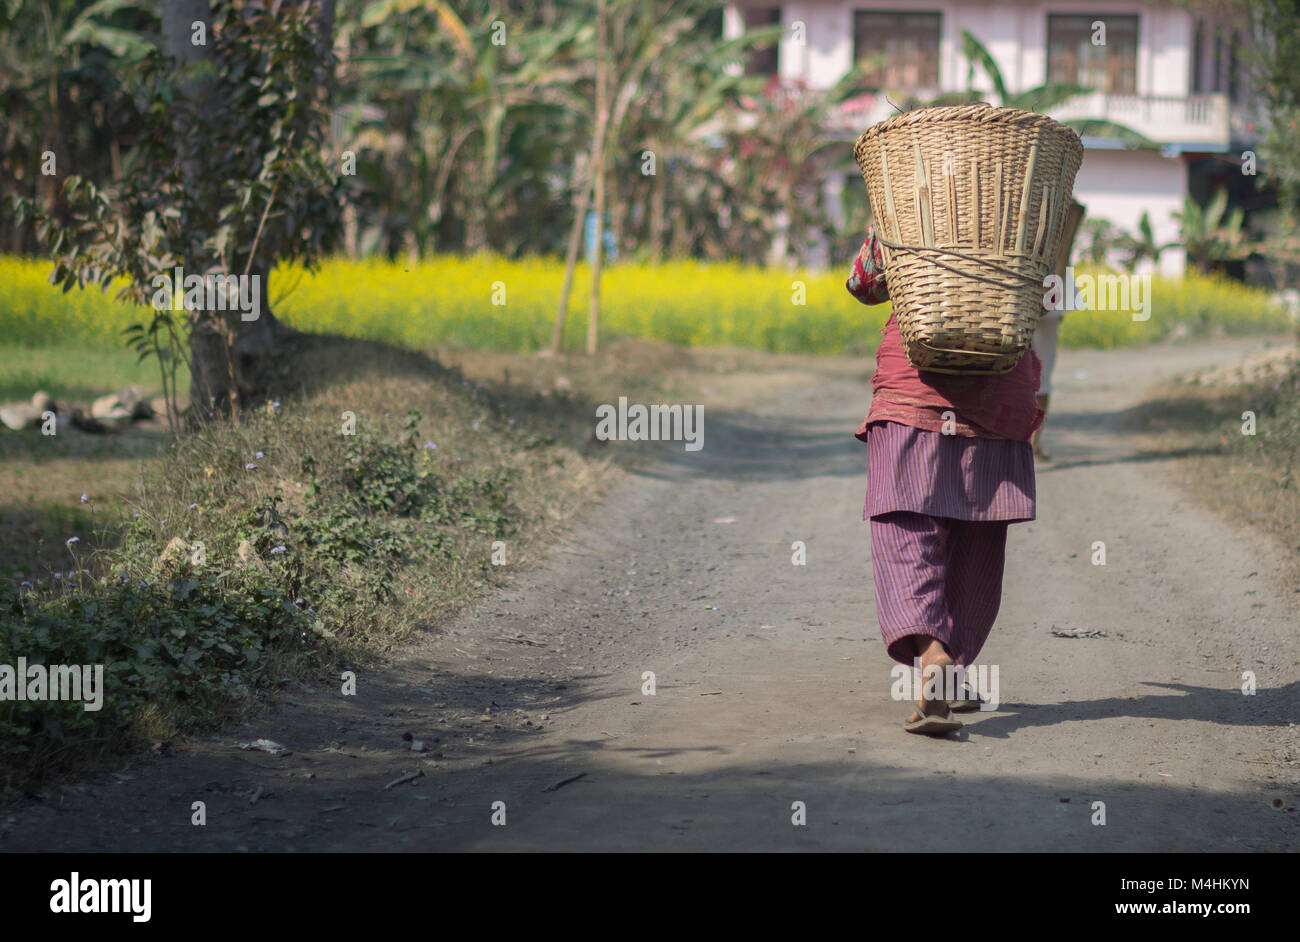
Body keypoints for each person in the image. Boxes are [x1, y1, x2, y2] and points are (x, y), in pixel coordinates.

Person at [847, 224, 1043, 736]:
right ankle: (950, 666)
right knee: (977, 537)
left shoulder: (904, 196)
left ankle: (933, 657)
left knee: (905, 526)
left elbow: (864, 284)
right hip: (998, 387)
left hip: (915, 386)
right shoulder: (1029, 197)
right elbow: (1046, 295)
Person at [1029, 199, 1084, 461]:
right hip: (1050, 286)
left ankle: (1031, 441)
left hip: (1036, 286)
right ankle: (1031, 442)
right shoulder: (1067, 203)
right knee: (1041, 370)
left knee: (1038, 371)